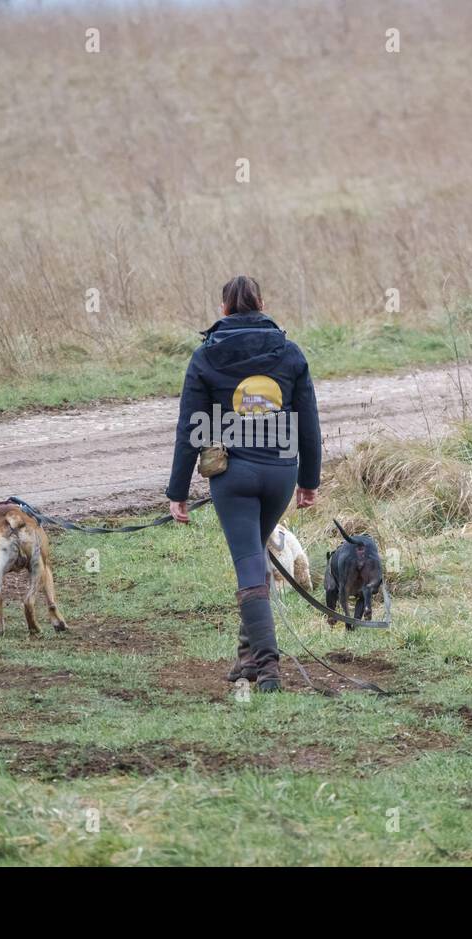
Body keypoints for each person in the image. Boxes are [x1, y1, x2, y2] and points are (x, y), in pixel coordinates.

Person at [166, 276, 322, 692]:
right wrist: (309, 481)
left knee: (250, 564)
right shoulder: (290, 353)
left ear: (223, 309)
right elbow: (309, 425)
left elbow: (190, 430)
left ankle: (268, 668)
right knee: (254, 554)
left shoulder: (205, 357)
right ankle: (247, 658)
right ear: (262, 303)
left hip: (233, 476)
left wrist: (177, 491)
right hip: (280, 473)